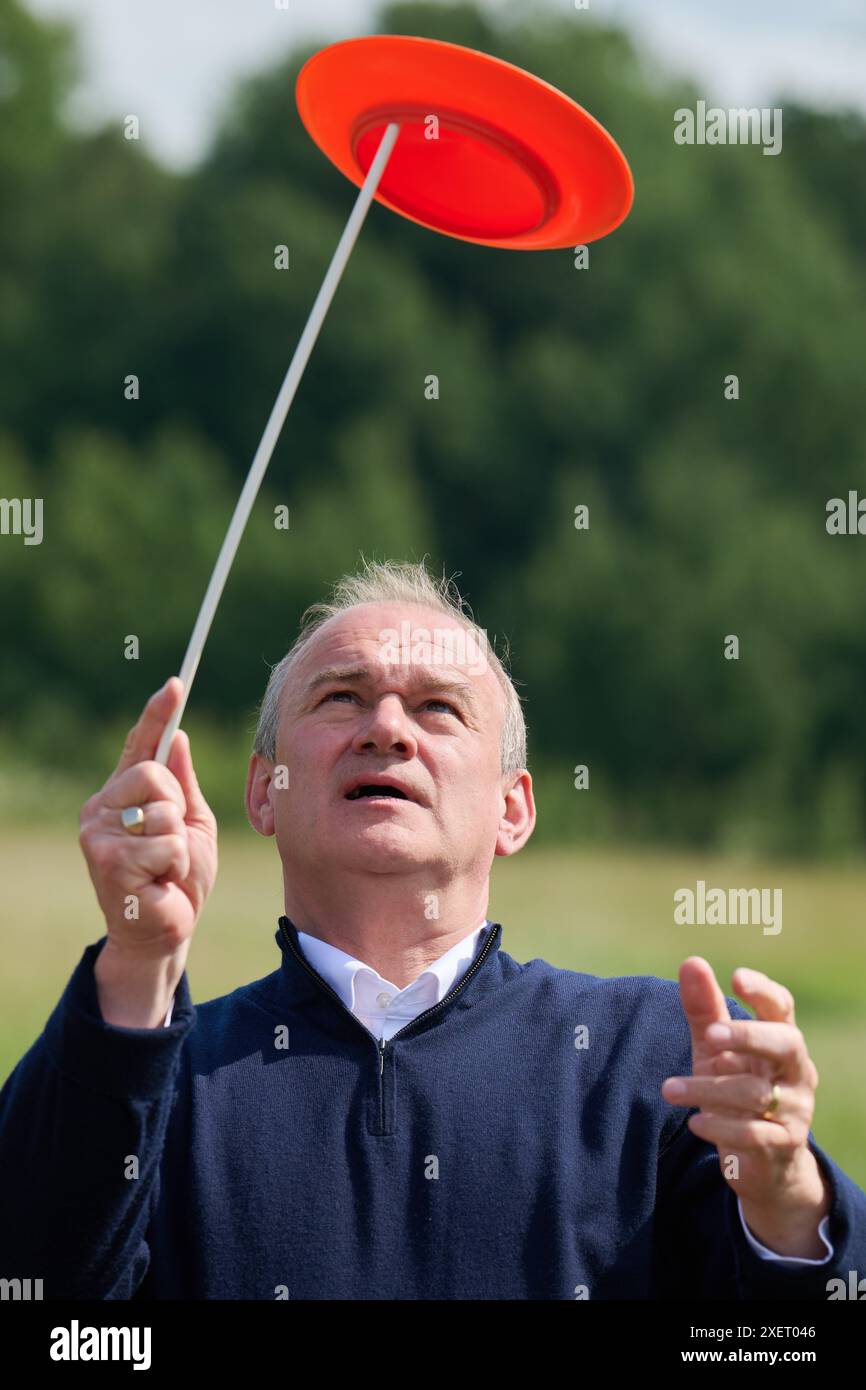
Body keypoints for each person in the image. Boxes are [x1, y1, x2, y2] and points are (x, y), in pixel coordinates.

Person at [1, 558, 864, 1299]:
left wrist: (789, 1201)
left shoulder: (667, 1061)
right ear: (264, 790)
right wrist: (140, 960)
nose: (386, 730)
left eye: (439, 709)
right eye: (342, 696)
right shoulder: (153, 1078)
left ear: (512, 808)